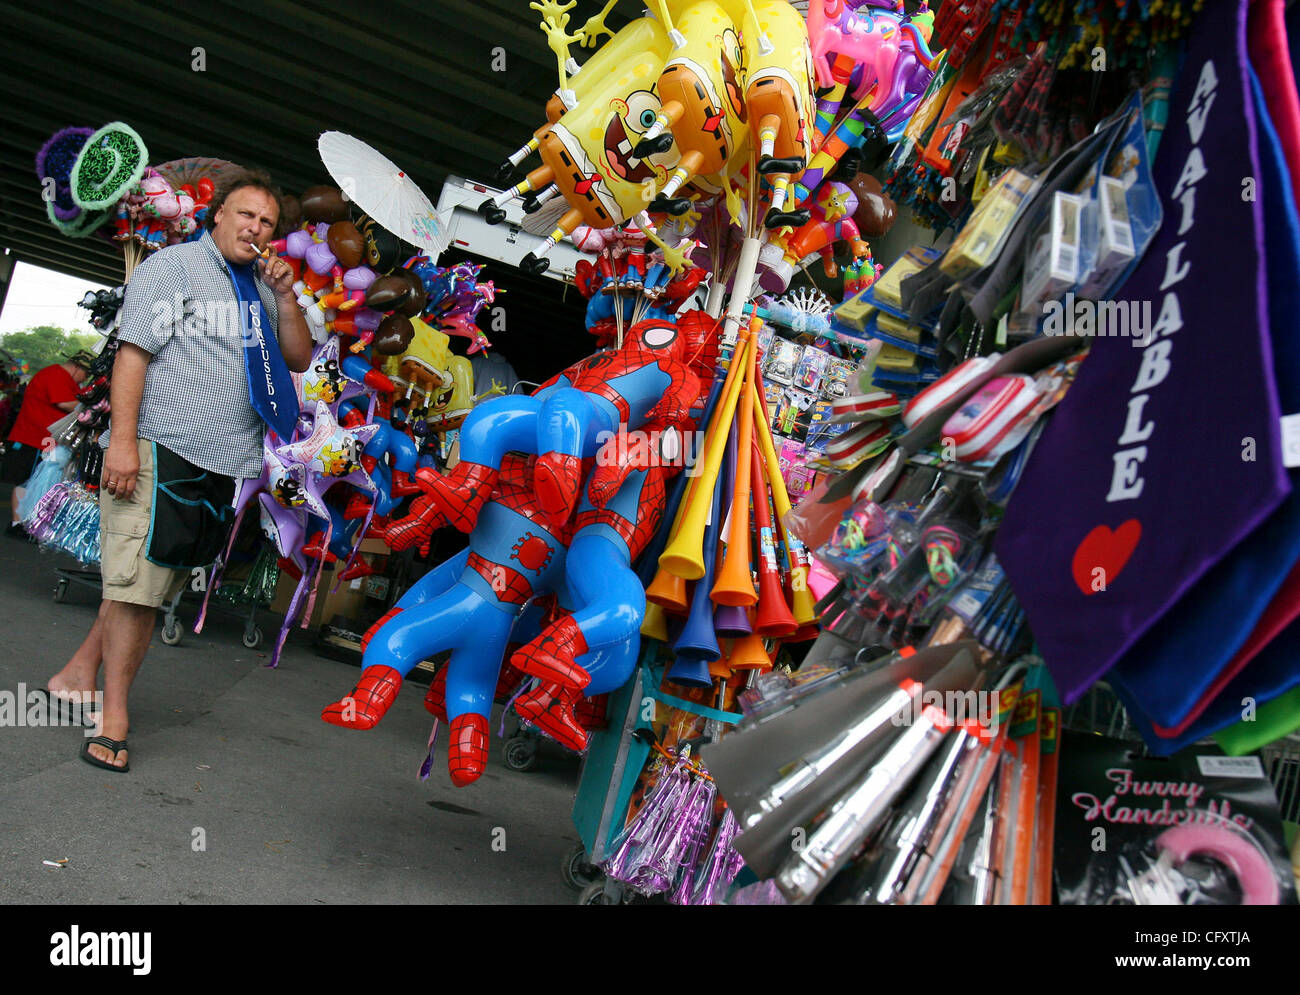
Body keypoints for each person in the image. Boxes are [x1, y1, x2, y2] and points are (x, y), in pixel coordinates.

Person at [45, 170, 313, 772]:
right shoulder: (174, 268)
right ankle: (113, 720)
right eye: (245, 215)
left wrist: (289, 296)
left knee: (151, 582)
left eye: (268, 223)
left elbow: (297, 357)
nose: (255, 229)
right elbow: (132, 355)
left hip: (222, 463)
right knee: (141, 593)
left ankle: (77, 675)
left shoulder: (266, 290)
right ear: (216, 216)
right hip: (161, 449)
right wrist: (121, 444)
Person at [4, 352, 93, 533]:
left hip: (43, 440)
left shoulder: (63, 379)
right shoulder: (55, 375)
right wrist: (91, 408)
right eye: (86, 374)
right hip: (34, 438)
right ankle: (17, 524)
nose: (86, 378)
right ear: (77, 368)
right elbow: (63, 403)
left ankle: (25, 523)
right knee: (26, 481)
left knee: (33, 481)